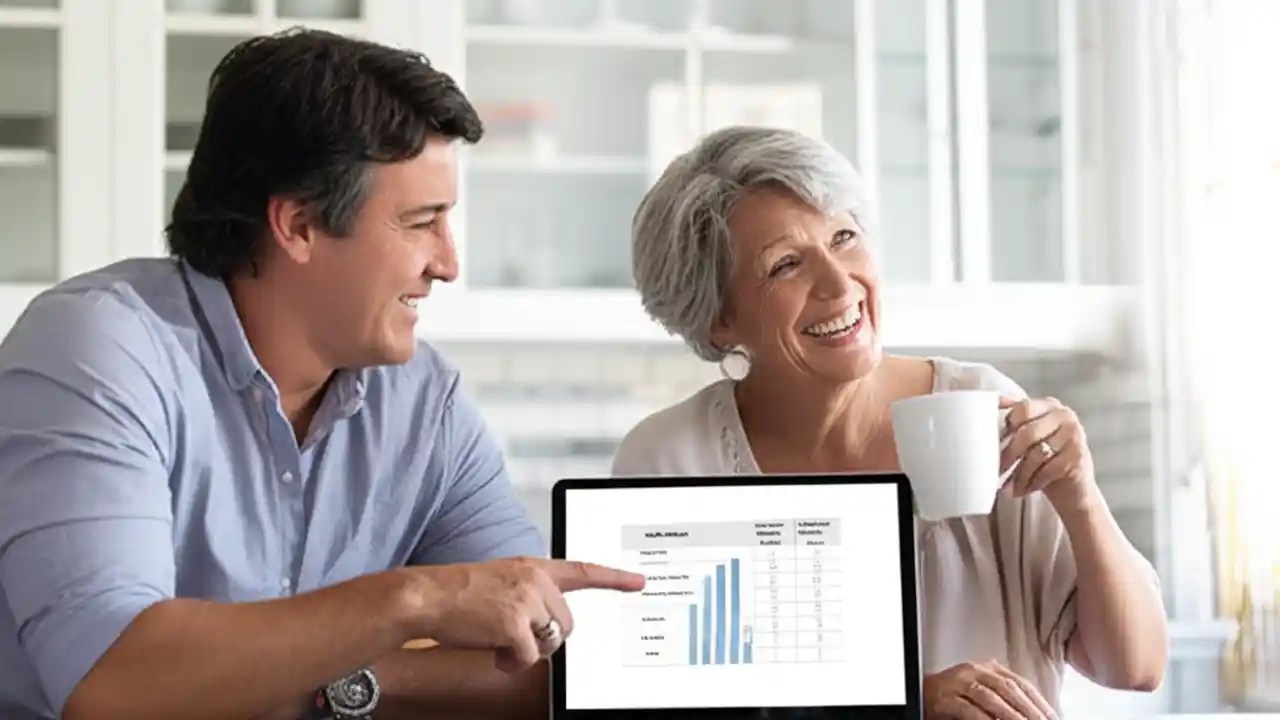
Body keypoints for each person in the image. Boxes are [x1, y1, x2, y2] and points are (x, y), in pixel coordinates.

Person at [0, 29, 644, 720]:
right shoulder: (99, 349)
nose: (448, 264)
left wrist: (348, 675)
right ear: (299, 225)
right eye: (421, 222)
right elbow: (113, 682)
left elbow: (548, 664)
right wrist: (412, 601)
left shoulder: (425, 402)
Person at [613, 126, 1168, 719]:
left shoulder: (983, 410)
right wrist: (905, 707)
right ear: (719, 318)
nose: (838, 282)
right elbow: (660, 708)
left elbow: (1135, 666)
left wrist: (1079, 497)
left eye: (844, 237)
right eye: (786, 265)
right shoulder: (671, 460)